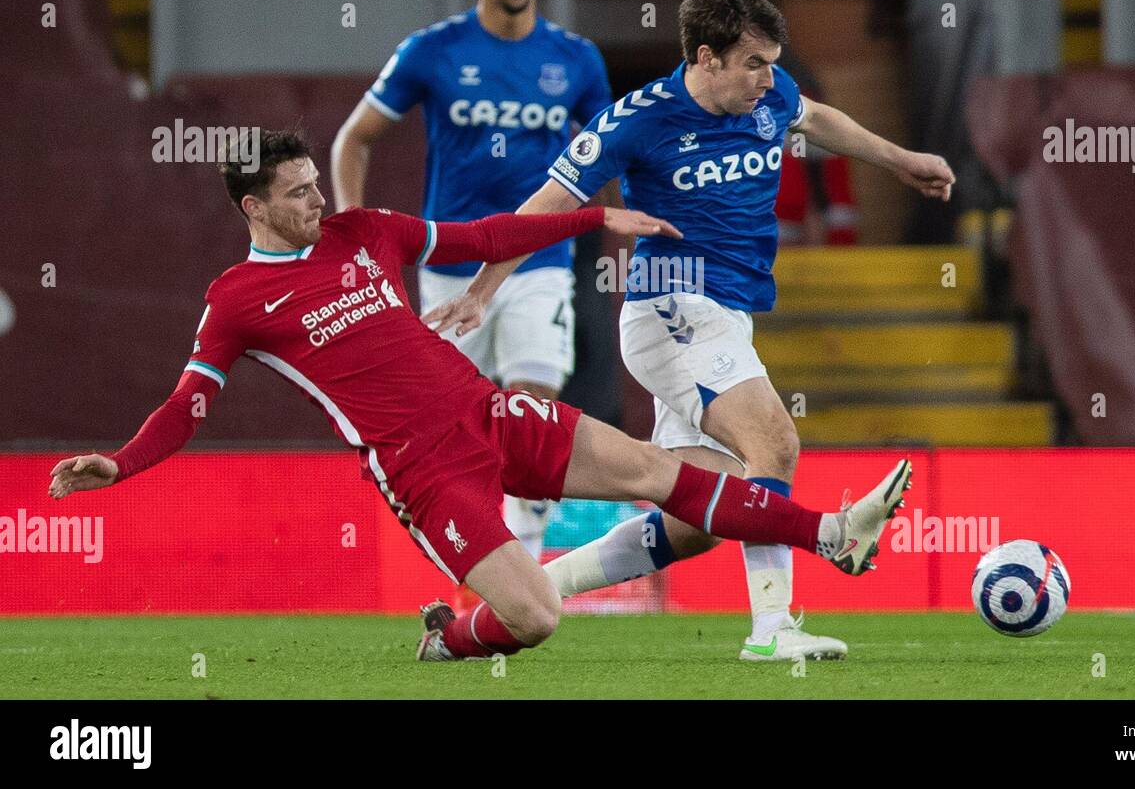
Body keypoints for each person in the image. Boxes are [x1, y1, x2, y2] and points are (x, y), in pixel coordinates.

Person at [46, 129, 913, 663]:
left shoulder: (366, 231)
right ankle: (447, 638)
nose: (319, 198)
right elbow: (187, 405)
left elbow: (484, 235)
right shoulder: (236, 299)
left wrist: (591, 219)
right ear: (253, 206)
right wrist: (119, 464)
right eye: (299, 190)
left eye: (316, 181)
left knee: (658, 470)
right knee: (534, 619)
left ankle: (833, 536)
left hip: (491, 411)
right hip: (423, 470)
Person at [423, 0, 953, 661]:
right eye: (753, 63)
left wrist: (903, 160)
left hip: (729, 313)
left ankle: (513, 599)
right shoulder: (637, 119)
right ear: (705, 57)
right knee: (776, 444)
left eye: (772, 61)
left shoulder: (769, 95)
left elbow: (817, 118)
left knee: (700, 518)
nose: (769, 79)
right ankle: (774, 629)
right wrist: (485, 288)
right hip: (672, 306)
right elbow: (546, 203)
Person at [331, 0, 612, 572]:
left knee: (532, 400)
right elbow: (353, 139)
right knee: (453, 427)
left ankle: (527, 565)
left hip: (540, 262)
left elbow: (608, 151)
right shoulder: (432, 50)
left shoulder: (575, 58)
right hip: (450, 267)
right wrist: (354, 233)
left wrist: (623, 227)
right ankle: (474, 557)